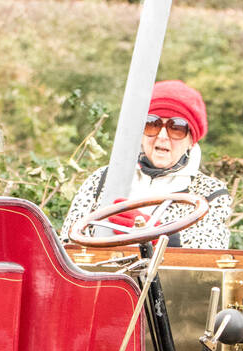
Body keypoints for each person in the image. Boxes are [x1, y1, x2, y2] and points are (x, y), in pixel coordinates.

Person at [60, 80, 231, 249]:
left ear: (191, 140)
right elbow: (67, 242)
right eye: (152, 124)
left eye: (177, 127)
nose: (162, 136)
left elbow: (213, 248)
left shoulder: (210, 192)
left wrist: (157, 234)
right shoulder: (103, 179)